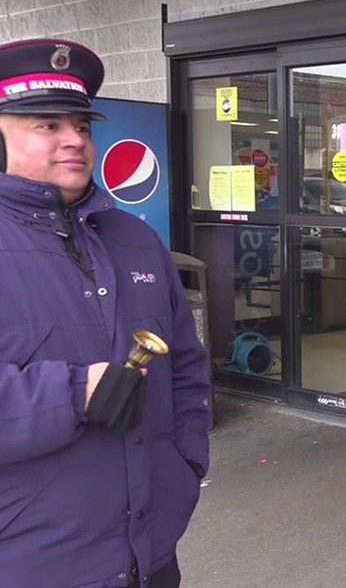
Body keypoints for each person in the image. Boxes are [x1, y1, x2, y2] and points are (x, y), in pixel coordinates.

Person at [0, 39, 211, 588]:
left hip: (152, 551)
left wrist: (186, 467)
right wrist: (75, 392)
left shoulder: (136, 237)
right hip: (31, 562)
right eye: (47, 125)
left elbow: (186, 366)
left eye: (82, 125)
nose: (75, 139)